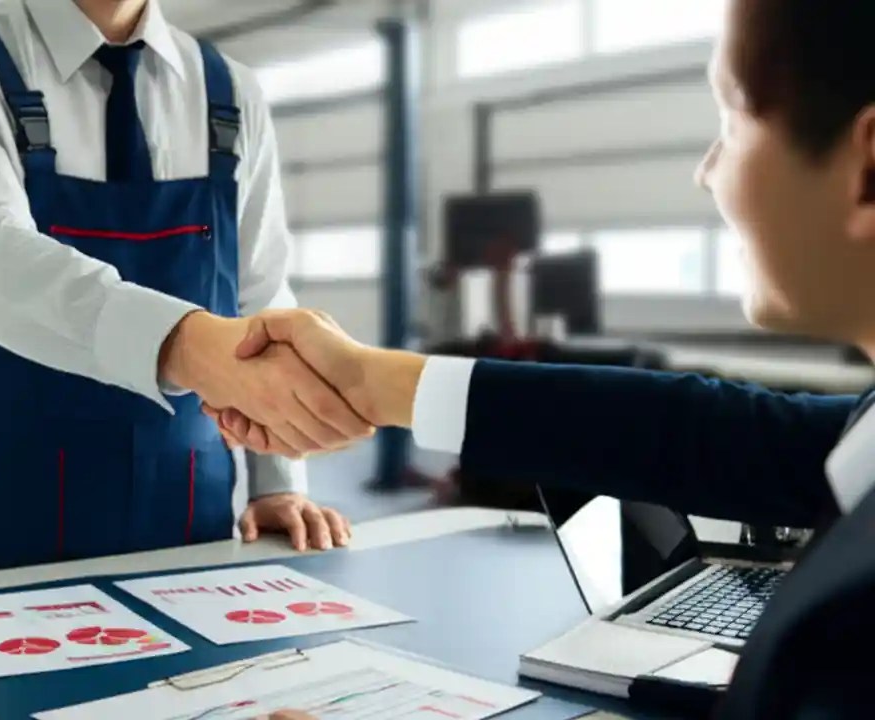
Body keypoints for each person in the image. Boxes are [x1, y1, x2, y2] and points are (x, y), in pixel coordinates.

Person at [217, 1, 875, 718]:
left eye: (731, 123)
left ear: (867, 167)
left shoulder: (848, 625)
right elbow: (713, 432)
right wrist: (376, 383)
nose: (706, 174)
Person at [0, 0, 378, 586]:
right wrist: (186, 345)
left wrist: (277, 484)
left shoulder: (232, 93)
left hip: (188, 521)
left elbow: (261, 293)